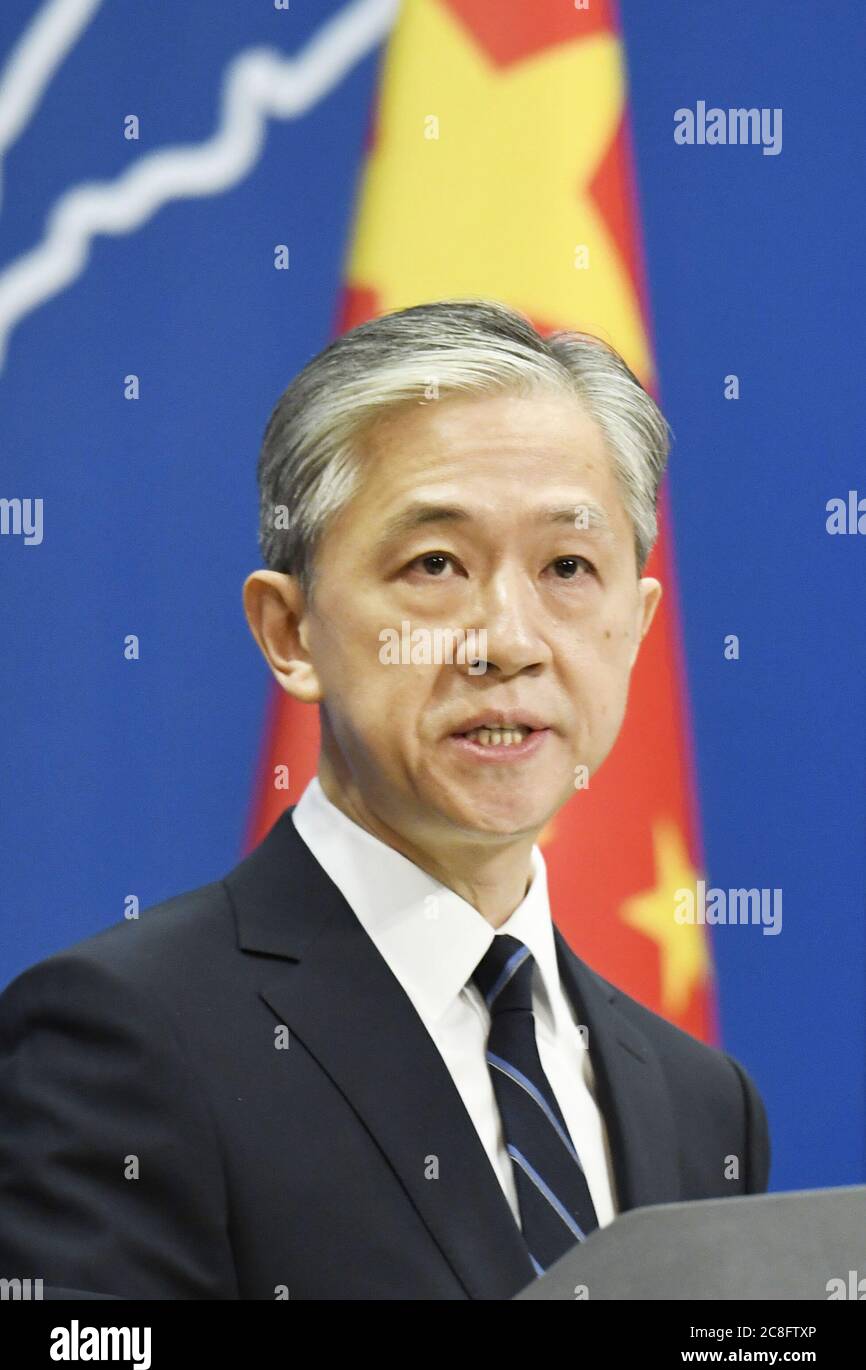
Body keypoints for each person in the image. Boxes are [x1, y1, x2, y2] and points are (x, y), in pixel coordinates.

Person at [0, 299, 770, 1300]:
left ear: (635, 622)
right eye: (435, 565)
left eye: (568, 567)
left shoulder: (702, 1101)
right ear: (290, 630)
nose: (508, 639)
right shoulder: (121, 1039)